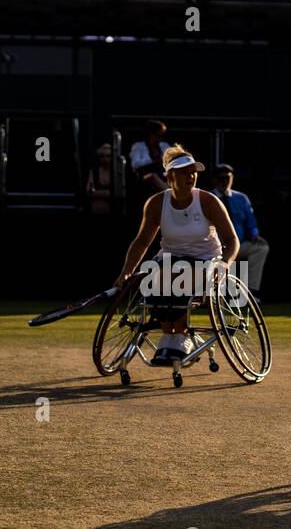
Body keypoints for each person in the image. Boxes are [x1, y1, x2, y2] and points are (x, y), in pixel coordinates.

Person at [113, 146, 239, 366]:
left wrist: (225, 264)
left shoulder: (209, 201)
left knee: (175, 278)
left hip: (205, 260)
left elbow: (232, 241)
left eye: (193, 172)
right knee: (154, 277)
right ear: (170, 176)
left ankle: (179, 337)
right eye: (184, 172)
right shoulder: (156, 204)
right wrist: (126, 273)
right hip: (170, 260)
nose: (191, 176)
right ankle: (169, 336)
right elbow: (142, 242)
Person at [211, 164, 268, 296]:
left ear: (232, 179)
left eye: (227, 178)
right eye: (220, 178)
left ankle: (249, 293)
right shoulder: (208, 199)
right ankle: (213, 295)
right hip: (215, 249)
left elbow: (251, 223)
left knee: (261, 248)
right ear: (214, 180)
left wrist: (255, 235)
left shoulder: (242, 198)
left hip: (238, 245)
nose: (224, 181)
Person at [128, 120, 171, 198]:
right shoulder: (138, 146)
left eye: (162, 136)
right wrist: (154, 161)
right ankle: (171, 195)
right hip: (144, 177)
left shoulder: (165, 146)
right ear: (150, 134)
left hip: (163, 175)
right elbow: (135, 164)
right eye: (158, 136)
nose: (160, 139)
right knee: (153, 176)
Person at [85, 143, 113, 215]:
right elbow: (89, 191)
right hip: (96, 209)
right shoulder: (94, 172)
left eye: (108, 156)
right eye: (102, 156)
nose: (105, 159)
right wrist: (105, 193)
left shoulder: (116, 173)